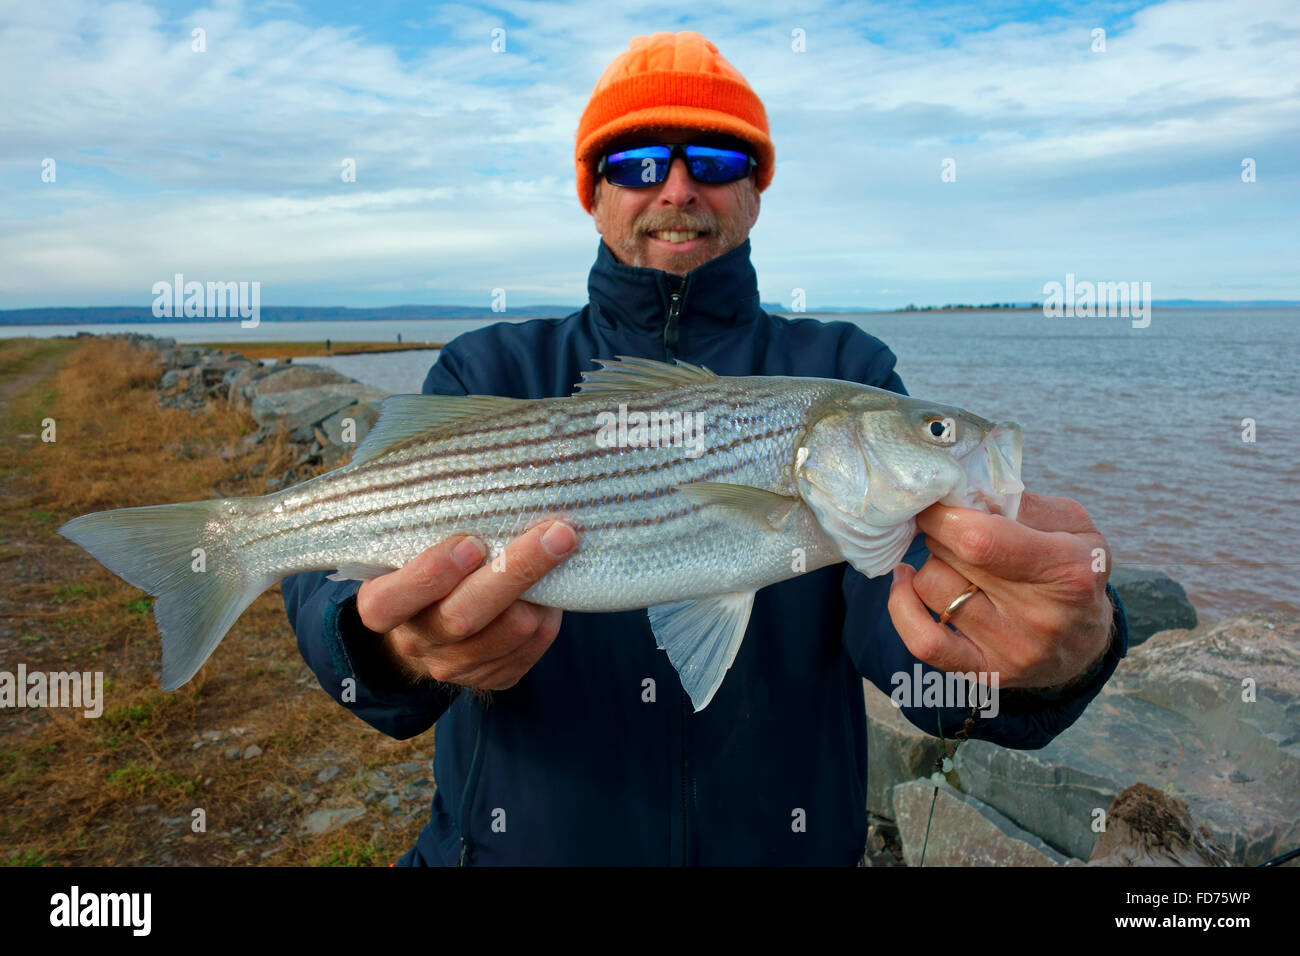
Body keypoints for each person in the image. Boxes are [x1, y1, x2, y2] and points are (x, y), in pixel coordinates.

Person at [282, 31, 1129, 866]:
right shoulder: (488, 368)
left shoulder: (846, 370)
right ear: (595, 192)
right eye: (641, 162)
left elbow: (907, 645)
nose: (678, 188)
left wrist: (1044, 658)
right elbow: (328, 568)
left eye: (716, 160)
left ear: (756, 186)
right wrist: (386, 646)